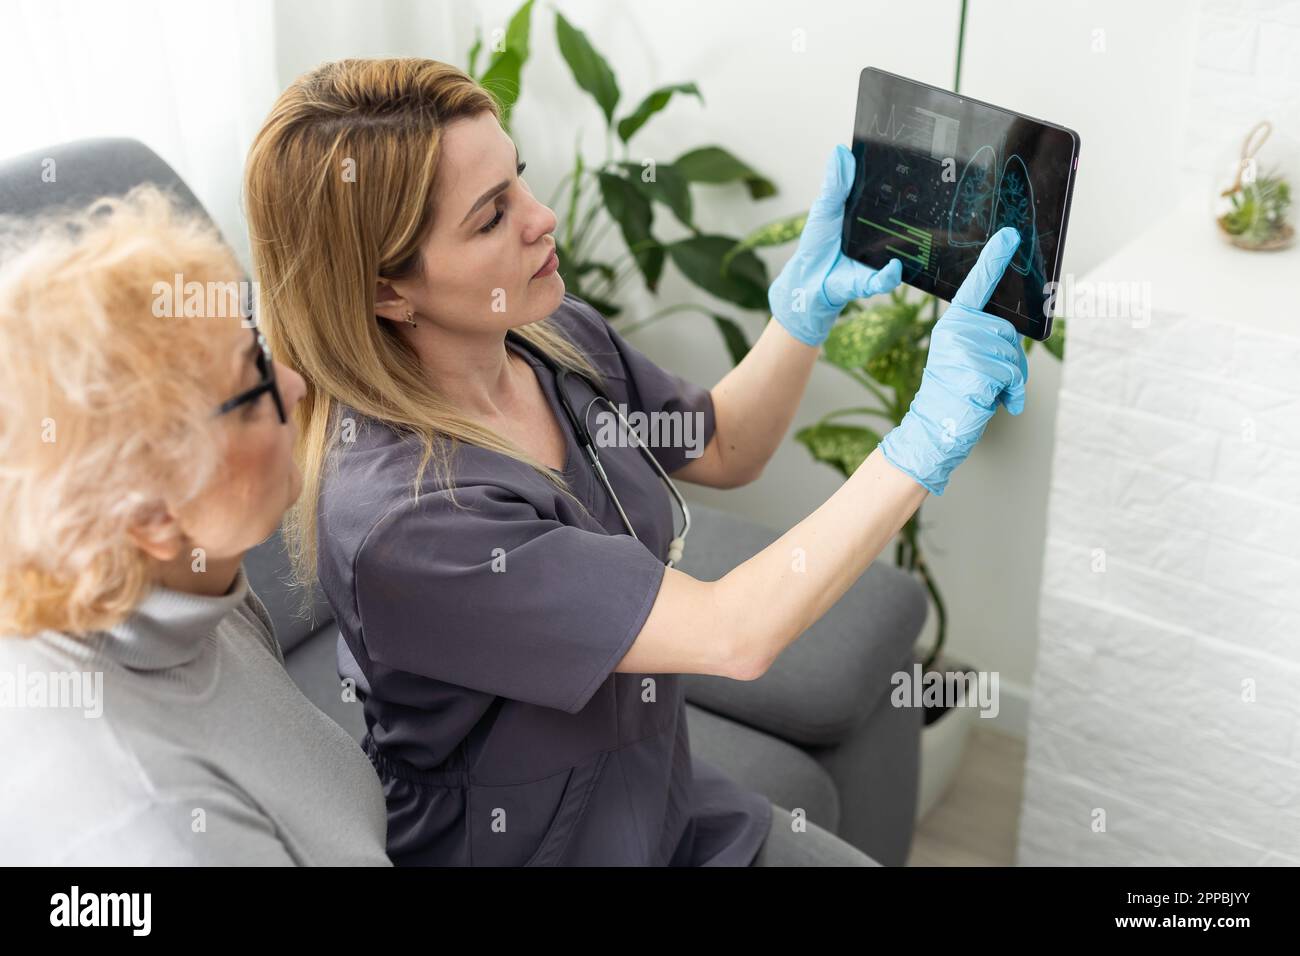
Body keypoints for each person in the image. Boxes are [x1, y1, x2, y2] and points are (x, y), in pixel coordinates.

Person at [243, 57, 1026, 867]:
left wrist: (804, 311)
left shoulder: (547, 338)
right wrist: (924, 437)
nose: (542, 219)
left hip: (659, 804)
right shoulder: (411, 521)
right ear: (385, 293)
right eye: (489, 218)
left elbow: (724, 444)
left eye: (521, 180)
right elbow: (735, 638)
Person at [0, 185, 391, 865]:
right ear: (151, 512)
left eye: (259, 349)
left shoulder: (183, 584)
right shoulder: (153, 823)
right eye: (256, 384)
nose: (295, 386)